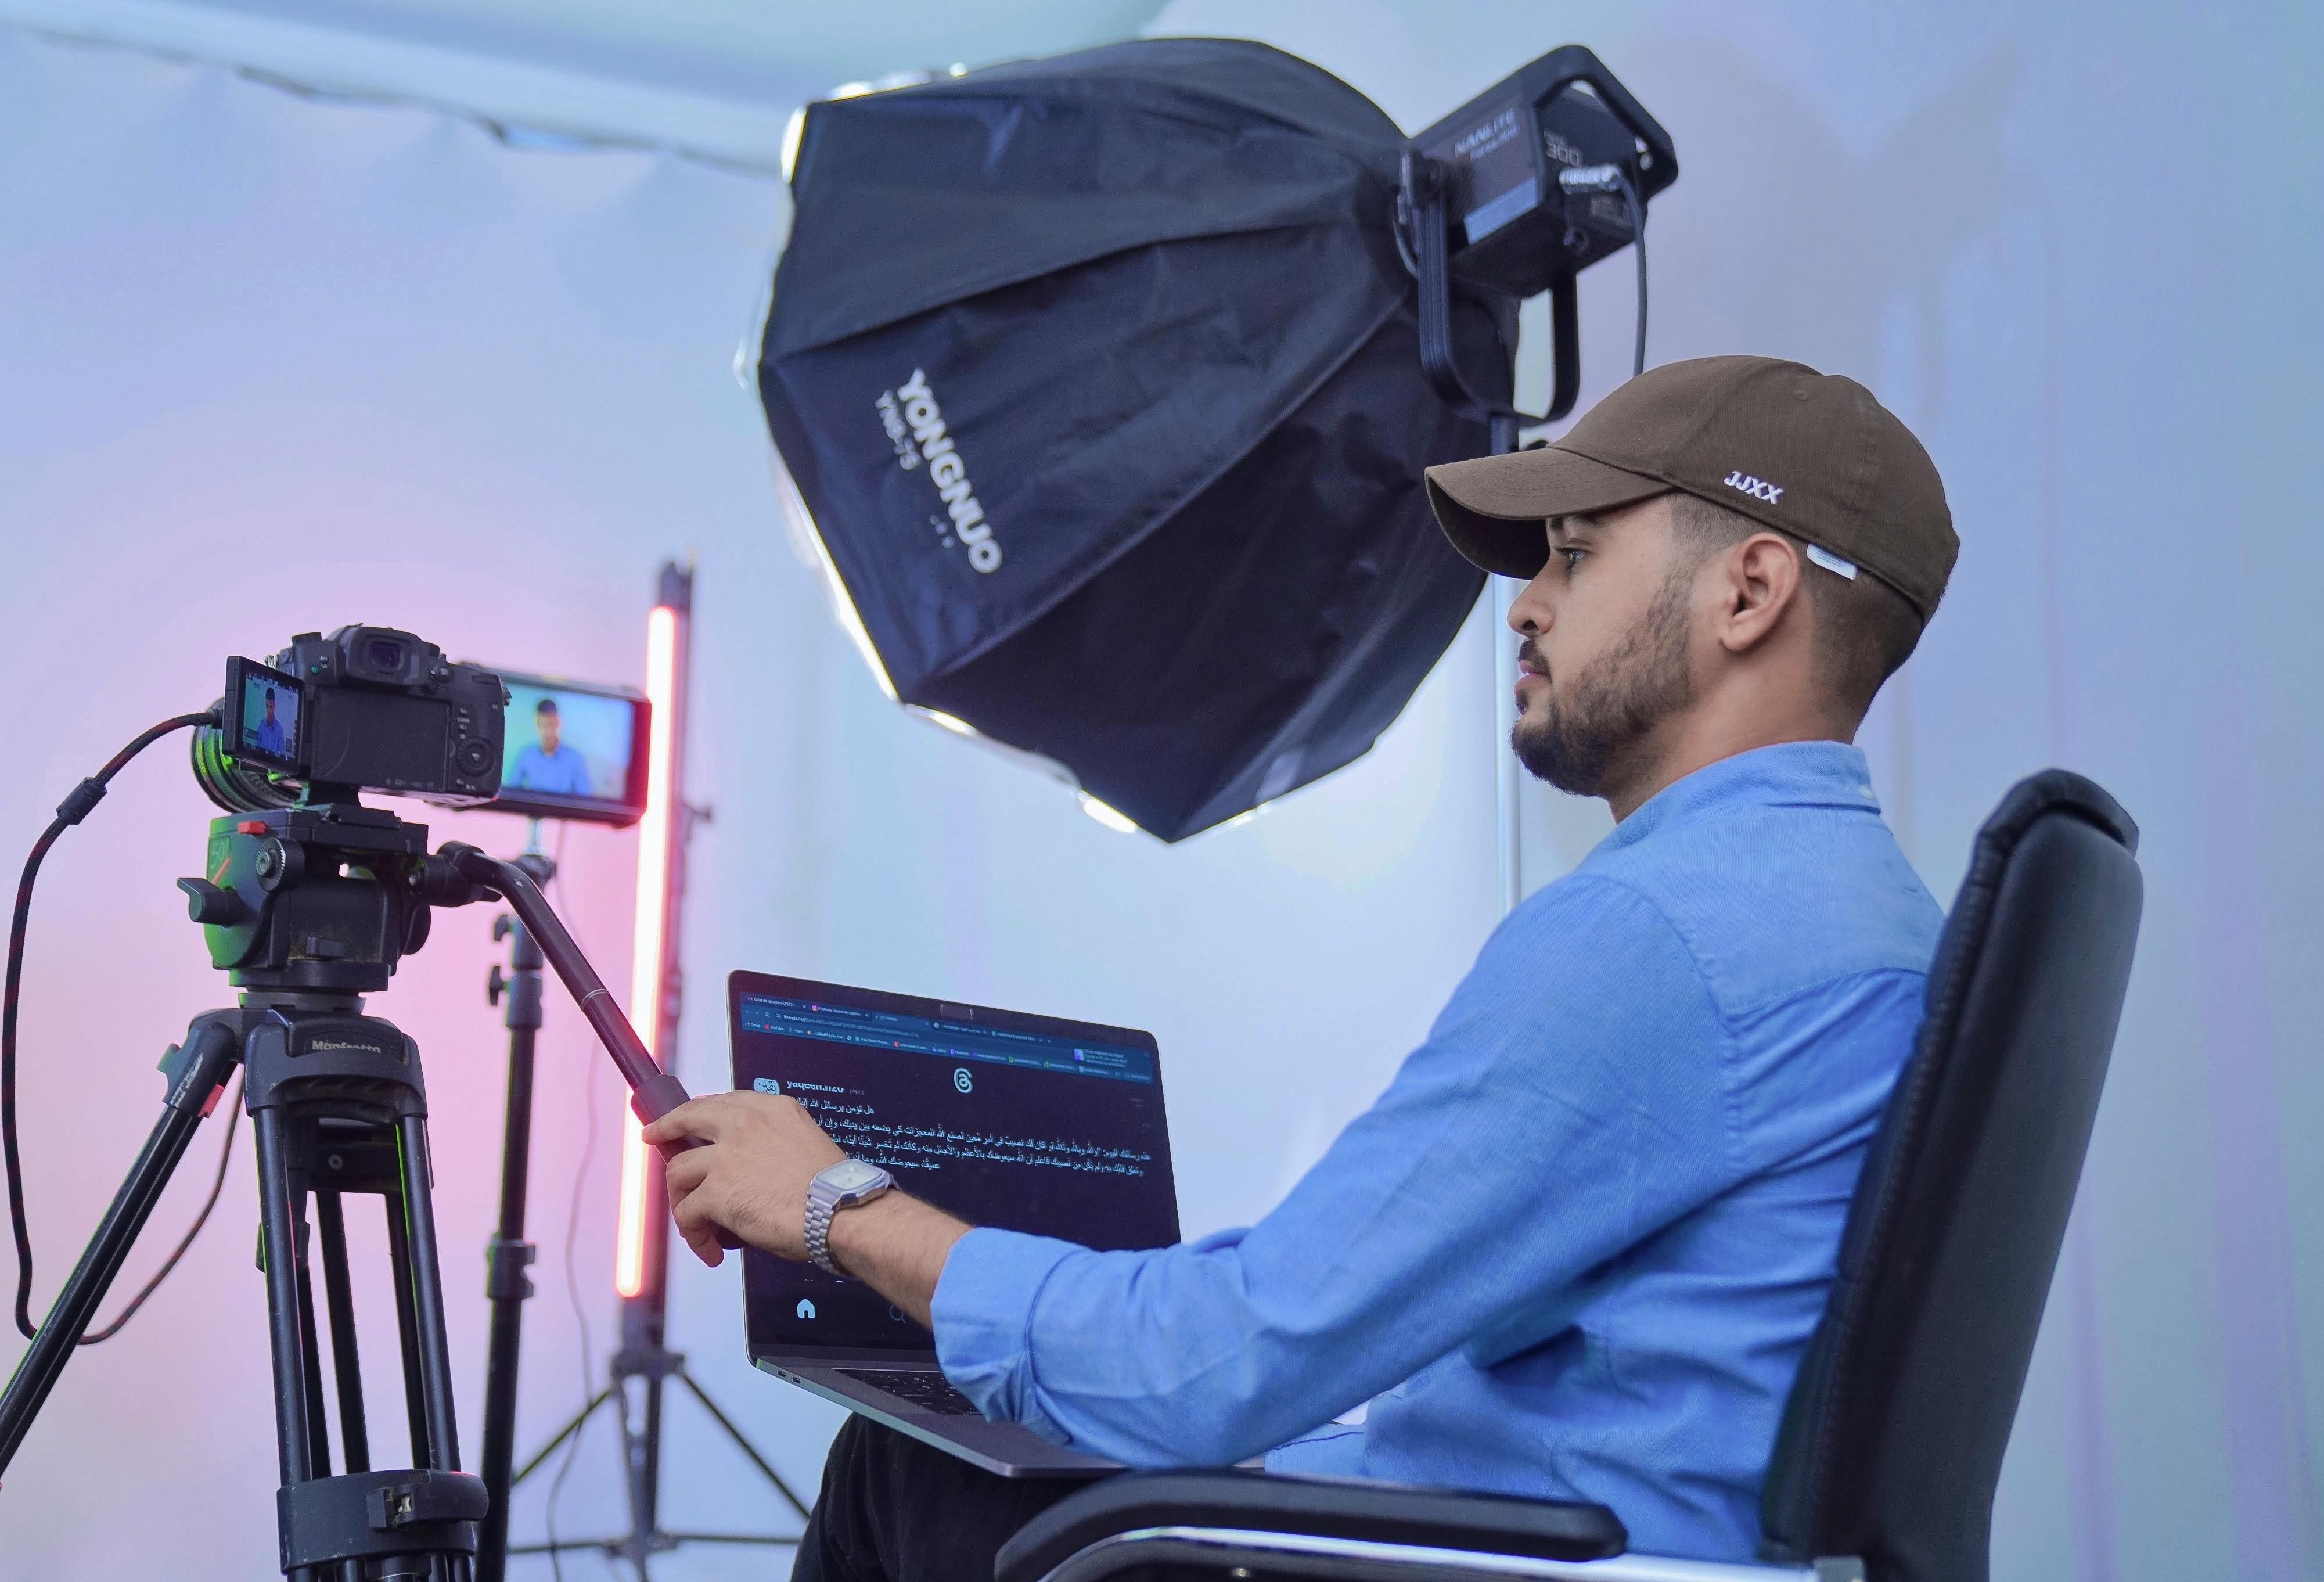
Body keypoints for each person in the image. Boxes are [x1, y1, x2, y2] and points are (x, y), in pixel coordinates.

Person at [646, 356, 1961, 1580]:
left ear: (1749, 591)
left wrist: (834, 1204)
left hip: (1506, 1558)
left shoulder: (1655, 935)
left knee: (908, 1465)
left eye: (1575, 553)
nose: (1526, 604)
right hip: (1595, 1538)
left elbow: (1214, 1367)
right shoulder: (1887, 924)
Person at [506, 696, 591, 796]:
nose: (546, 732)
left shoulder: (575, 758)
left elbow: (584, 797)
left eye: (550, 725)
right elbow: (511, 792)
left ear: (558, 723)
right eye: (541, 725)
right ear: (537, 724)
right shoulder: (526, 754)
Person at [251, 685, 289, 757]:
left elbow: (282, 754)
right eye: (267, 706)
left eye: (271, 707)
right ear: (265, 705)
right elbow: (256, 746)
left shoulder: (280, 728)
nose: (269, 711)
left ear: (274, 706)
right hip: (261, 759)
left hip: (274, 762)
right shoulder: (261, 724)